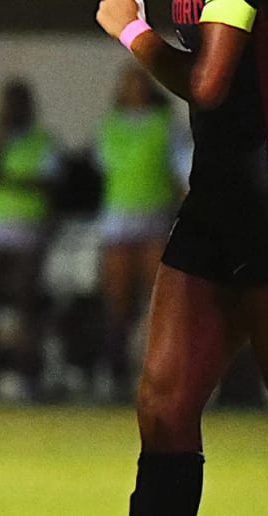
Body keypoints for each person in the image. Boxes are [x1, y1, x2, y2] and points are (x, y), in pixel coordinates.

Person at [94, 0, 268, 516]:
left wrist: (131, 34)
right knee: (164, 408)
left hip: (266, 201)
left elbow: (209, 82)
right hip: (219, 199)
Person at [93, 64, 182, 400]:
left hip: (153, 219)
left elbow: (178, 172)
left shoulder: (163, 125)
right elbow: (104, 168)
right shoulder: (111, 125)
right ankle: (113, 372)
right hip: (118, 220)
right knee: (117, 301)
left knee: (155, 301)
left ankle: (156, 375)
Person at [0, 78, 59, 402]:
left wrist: (11, 180)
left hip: (27, 232)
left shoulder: (41, 141)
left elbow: (48, 185)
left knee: (25, 308)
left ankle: (26, 379)